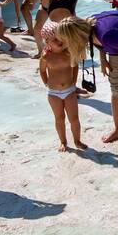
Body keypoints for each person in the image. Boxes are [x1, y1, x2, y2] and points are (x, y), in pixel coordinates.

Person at [56, 9, 118, 150]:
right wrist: (103, 58)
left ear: (74, 38)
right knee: (117, 87)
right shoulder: (86, 28)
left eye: (64, 41)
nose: (62, 45)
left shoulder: (106, 35)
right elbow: (95, 37)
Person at [38, 20, 86, 152]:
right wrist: (46, 83)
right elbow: (42, 70)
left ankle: (77, 140)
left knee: (74, 119)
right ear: (47, 42)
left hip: (70, 91)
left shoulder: (68, 52)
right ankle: (63, 142)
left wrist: (74, 83)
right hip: (53, 94)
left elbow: (75, 66)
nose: (59, 41)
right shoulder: (46, 57)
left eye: (60, 38)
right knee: (59, 119)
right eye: (54, 40)